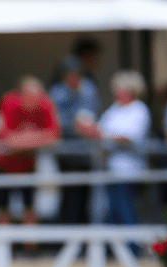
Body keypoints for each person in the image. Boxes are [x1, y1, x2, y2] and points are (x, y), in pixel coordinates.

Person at [78, 70, 151, 228]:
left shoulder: (139, 109)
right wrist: (88, 130)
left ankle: (133, 249)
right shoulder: (114, 110)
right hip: (110, 170)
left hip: (130, 172)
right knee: (112, 214)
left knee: (126, 212)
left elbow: (128, 137)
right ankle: (116, 251)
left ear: (132, 90)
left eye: (121, 88)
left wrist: (103, 136)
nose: (117, 91)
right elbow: (101, 132)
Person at [0, 76, 60, 228]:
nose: (34, 102)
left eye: (37, 98)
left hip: (28, 163)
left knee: (29, 207)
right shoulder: (9, 102)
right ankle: (4, 248)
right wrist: (36, 138)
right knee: (2, 208)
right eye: (30, 98)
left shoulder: (44, 103)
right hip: (4, 163)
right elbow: (6, 138)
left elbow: (54, 135)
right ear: (21, 95)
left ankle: (30, 249)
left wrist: (22, 140)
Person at [48, 56, 100, 224]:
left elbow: (92, 114)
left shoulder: (89, 89)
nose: (75, 79)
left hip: (86, 151)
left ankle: (83, 239)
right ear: (63, 77)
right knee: (70, 194)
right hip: (67, 152)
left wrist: (90, 127)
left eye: (78, 75)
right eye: (71, 76)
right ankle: (66, 237)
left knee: (86, 195)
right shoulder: (57, 93)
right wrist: (75, 126)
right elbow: (56, 121)